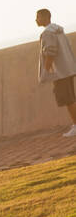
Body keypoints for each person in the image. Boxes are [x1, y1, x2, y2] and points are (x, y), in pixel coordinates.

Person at [35, 10, 76, 138]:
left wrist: (46, 72)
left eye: (37, 17)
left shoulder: (47, 33)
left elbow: (50, 52)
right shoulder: (58, 30)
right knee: (71, 99)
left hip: (60, 73)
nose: (36, 20)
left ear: (44, 17)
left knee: (68, 100)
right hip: (68, 69)